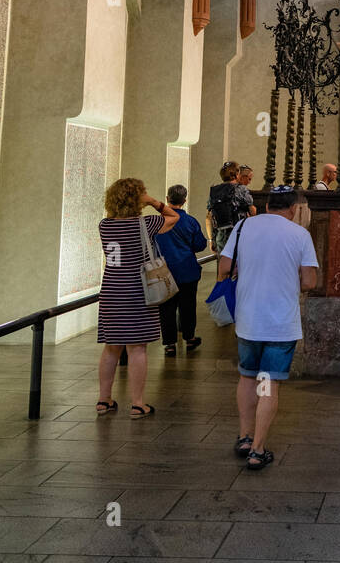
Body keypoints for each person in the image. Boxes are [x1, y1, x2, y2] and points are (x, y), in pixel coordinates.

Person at [218, 187, 318, 470]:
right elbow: (309, 282)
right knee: (268, 382)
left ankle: (245, 437)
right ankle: (258, 450)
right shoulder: (300, 235)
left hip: (248, 318)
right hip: (280, 324)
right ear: (294, 209)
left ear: (266, 206)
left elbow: (225, 266)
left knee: (248, 377)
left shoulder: (243, 226)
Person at [96, 178, 179, 418]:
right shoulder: (148, 222)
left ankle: (103, 400)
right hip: (138, 292)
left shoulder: (105, 225)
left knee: (111, 348)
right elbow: (174, 218)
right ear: (138, 199)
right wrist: (154, 202)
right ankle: (137, 403)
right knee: (137, 348)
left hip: (111, 292)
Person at [155, 184, 208, 356]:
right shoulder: (190, 221)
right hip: (187, 270)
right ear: (184, 201)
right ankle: (189, 337)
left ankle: (169, 343)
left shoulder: (158, 221)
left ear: (167, 199)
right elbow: (199, 245)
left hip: (164, 271)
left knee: (166, 308)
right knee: (188, 305)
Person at [207, 161, 251, 252]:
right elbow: (252, 211)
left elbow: (208, 217)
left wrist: (211, 240)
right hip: (238, 234)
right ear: (237, 174)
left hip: (221, 235)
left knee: (223, 263)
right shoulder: (241, 189)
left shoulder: (215, 191)